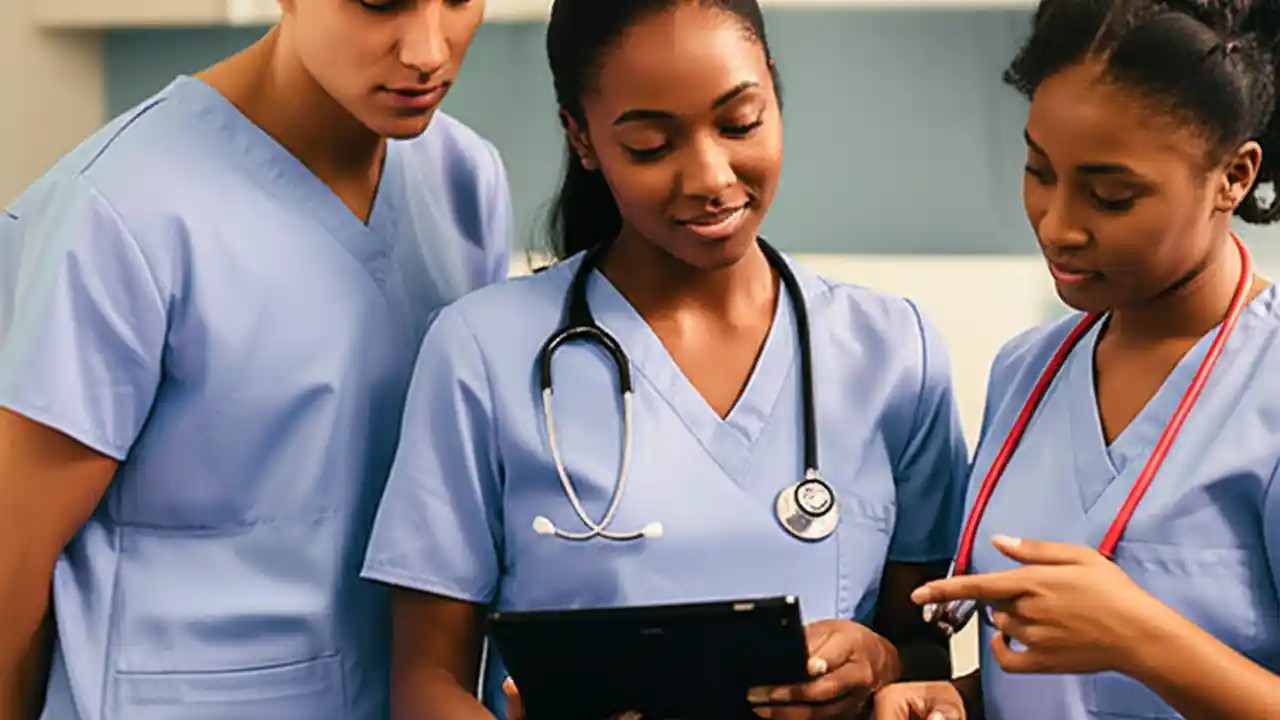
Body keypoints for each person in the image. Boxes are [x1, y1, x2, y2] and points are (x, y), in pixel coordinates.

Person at [359, 0, 970, 718]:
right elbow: (426, 682)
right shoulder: (482, 352)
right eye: (651, 145)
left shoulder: (893, 352)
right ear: (582, 138)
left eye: (740, 123)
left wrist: (882, 661)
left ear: (773, 92)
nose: (710, 177)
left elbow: (924, 653)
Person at [0, 0, 511, 717]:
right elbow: (10, 570)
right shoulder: (119, 213)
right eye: (379, 2)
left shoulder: (463, 182)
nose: (428, 49)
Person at [873, 0, 1280, 718]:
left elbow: (1128, 655)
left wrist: (1140, 638)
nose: (1058, 226)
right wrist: (961, 700)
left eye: (1111, 196)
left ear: (1234, 176)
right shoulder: (1026, 373)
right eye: (1038, 171)